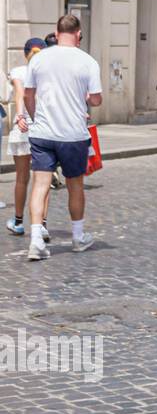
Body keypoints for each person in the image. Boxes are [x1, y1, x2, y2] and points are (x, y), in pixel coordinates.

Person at [22, 14, 104, 260]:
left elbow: (28, 95)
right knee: (75, 185)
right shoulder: (88, 62)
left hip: (43, 133)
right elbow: (96, 99)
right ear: (78, 34)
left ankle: (36, 240)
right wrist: (87, 98)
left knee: (39, 185)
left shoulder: (39, 59)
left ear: (56, 34)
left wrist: (36, 118)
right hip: (73, 134)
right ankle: (78, 237)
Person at [7, 38, 49, 236]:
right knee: (42, 180)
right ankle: (42, 225)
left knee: (21, 178)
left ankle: (18, 222)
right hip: (44, 127)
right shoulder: (49, 74)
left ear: (25, 54)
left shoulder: (18, 71)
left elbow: (20, 93)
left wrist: (21, 115)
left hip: (23, 127)